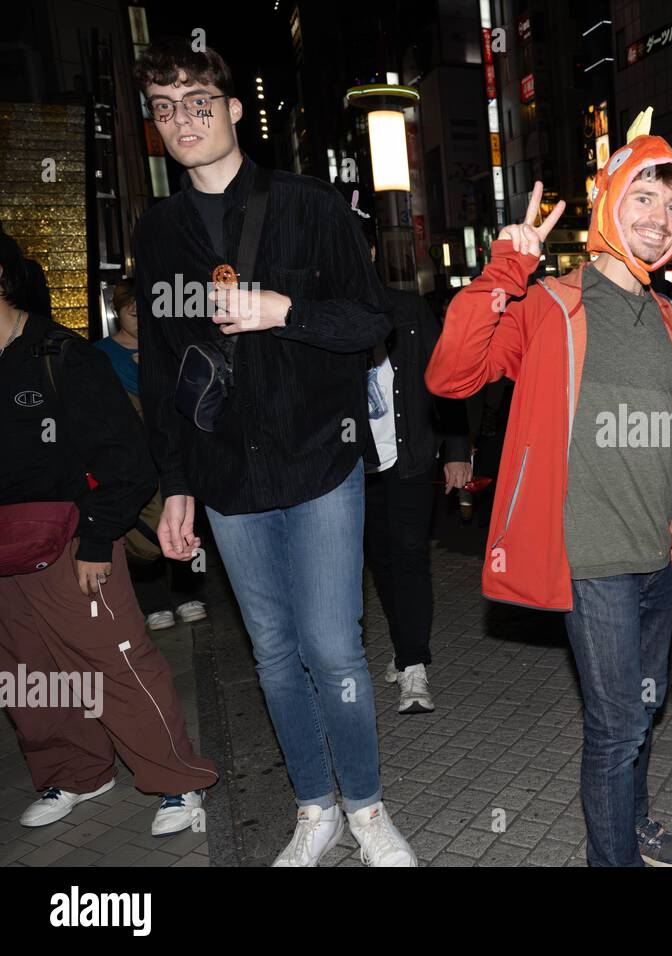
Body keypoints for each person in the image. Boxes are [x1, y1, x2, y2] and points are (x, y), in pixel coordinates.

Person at [132, 40, 413, 866]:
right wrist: (175, 486)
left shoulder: (309, 205)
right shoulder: (157, 234)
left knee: (333, 647)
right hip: (223, 474)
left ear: (233, 111)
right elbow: (159, 368)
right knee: (274, 655)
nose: (183, 119)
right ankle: (312, 808)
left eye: (198, 102)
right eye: (166, 108)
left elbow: (371, 324)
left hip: (319, 459)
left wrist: (281, 308)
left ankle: (366, 810)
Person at [426, 112, 672, 867]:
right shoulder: (552, 304)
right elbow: (449, 374)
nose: (658, 219)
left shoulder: (671, 317)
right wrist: (501, 272)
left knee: (642, 715)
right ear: (609, 202)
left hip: (656, 556)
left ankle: (636, 828)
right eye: (643, 199)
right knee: (617, 726)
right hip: (590, 558)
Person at [0, 230, 219, 837]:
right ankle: (76, 772)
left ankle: (177, 782)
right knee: (27, 675)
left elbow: (127, 460)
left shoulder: (60, 355)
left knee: (116, 665)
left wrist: (98, 542)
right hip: (3, 556)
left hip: (72, 544)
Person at [357, 220, 472, 715]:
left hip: (409, 455)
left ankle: (413, 662)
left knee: (408, 556)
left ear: (372, 252)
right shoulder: (313, 318)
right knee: (379, 561)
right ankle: (405, 646)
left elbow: (444, 378)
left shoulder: (407, 309)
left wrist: (456, 448)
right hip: (350, 467)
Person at [95, 280, 208, 632]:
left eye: (144, 309)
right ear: (116, 311)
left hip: (174, 447)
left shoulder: (168, 347)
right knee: (140, 527)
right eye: (130, 310)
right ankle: (153, 600)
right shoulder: (99, 355)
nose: (139, 317)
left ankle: (189, 592)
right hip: (130, 455)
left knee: (186, 518)